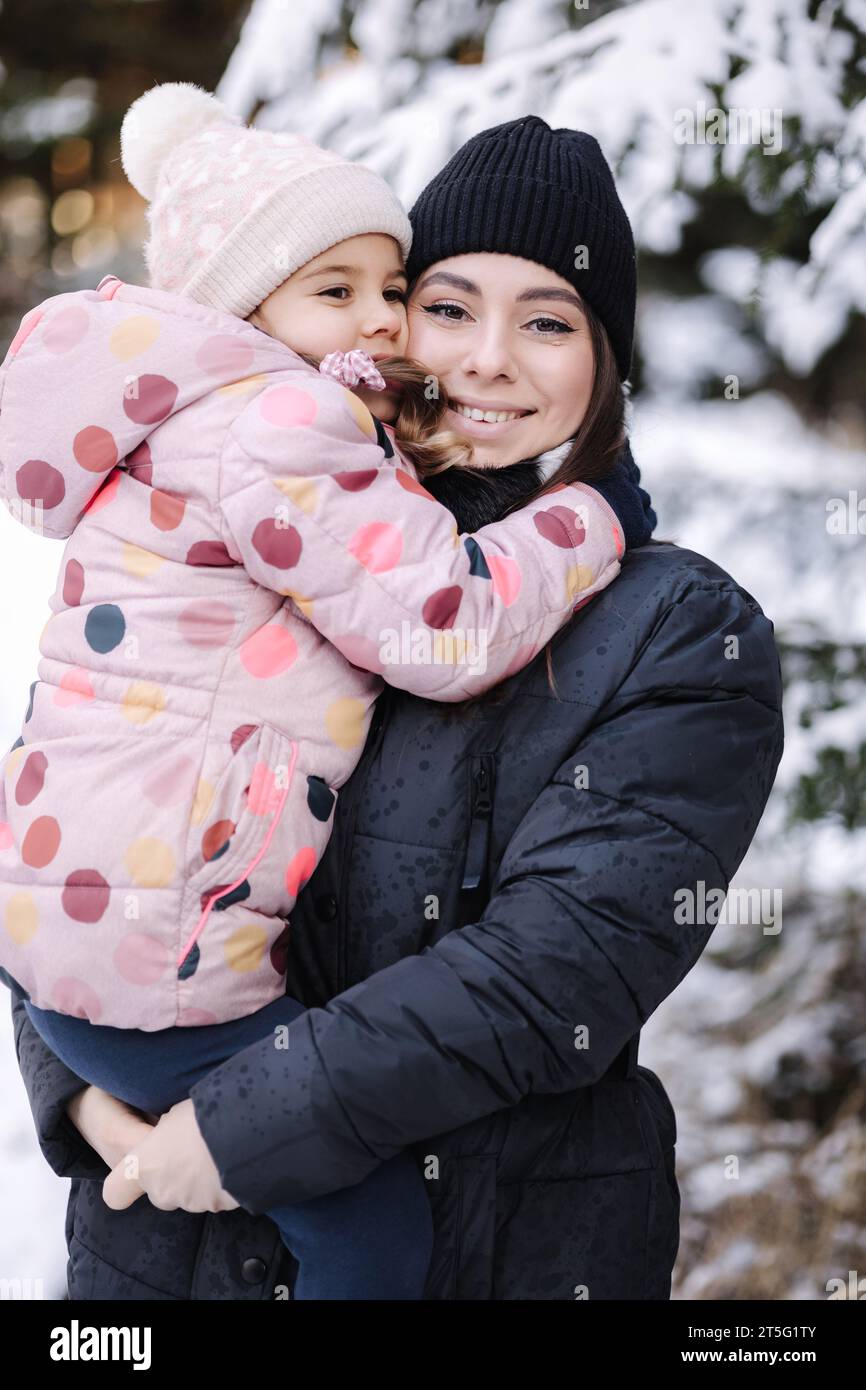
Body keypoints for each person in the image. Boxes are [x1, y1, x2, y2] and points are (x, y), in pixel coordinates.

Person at [9, 116, 784, 1301]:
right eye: (447, 304)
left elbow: (551, 973)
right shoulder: (234, 529)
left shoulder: (676, 627)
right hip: (161, 1252)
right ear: (386, 318)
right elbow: (71, 814)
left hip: (488, 1244)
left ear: (605, 359)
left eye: (546, 322)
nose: (484, 359)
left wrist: (232, 1130)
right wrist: (90, 1098)